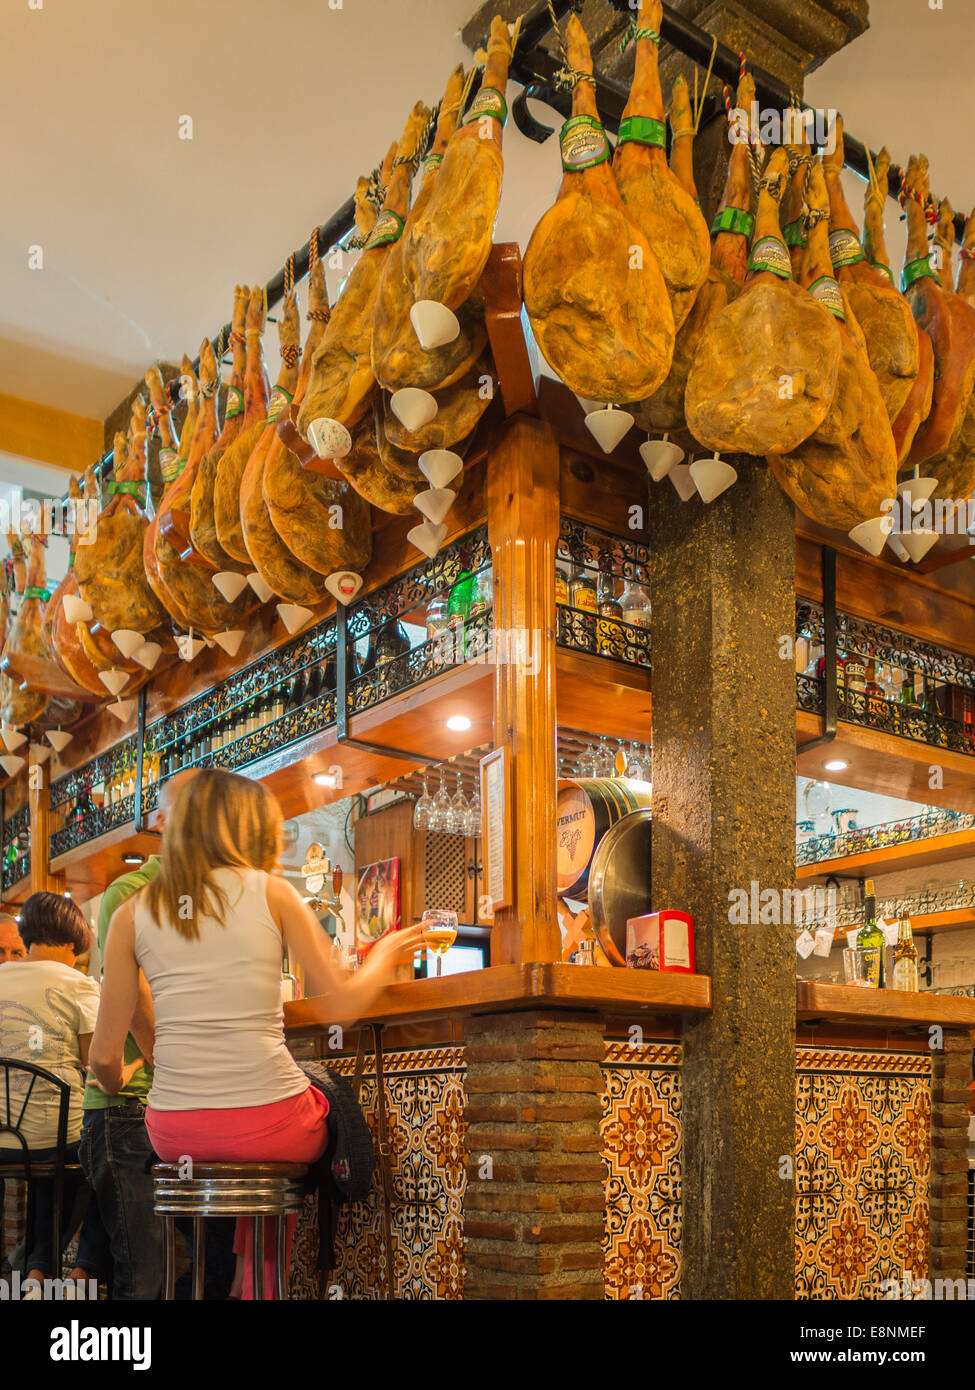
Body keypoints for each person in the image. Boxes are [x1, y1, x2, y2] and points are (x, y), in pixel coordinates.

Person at [90, 768, 424, 1299]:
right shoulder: (274, 893)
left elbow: (104, 1057)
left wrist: (165, 1079)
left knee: (264, 1134)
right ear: (247, 829)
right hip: (269, 1125)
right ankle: (260, 1285)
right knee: (311, 1104)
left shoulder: (131, 914)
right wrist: (382, 957)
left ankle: (250, 1282)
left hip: (172, 1133)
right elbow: (341, 1007)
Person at [78, 769, 203, 1301]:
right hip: (129, 1107)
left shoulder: (215, 896)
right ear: (162, 821)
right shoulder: (130, 893)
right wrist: (169, 1068)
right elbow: (135, 1007)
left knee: (187, 1268)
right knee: (149, 1276)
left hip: (181, 1109)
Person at [0, 892, 108, 1295]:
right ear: (72, 942)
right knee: (99, 1154)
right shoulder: (79, 984)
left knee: (59, 1147)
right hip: (54, 1140)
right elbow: (97, 1063)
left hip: (2, 1138)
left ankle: (34, 1272)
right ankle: (64, 1270)